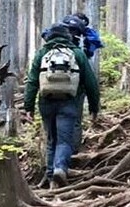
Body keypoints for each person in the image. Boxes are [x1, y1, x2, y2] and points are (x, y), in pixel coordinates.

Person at [23, 23, 100, 187]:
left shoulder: (42, 53)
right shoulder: (77, 53)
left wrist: (28, 107)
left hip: (46, 103)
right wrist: (94, 107)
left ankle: (52, 179)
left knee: (51, 140)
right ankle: (60, 169)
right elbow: (91, 82)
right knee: (64, 141)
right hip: (69, 103)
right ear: (68, 36)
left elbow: (32, 82)